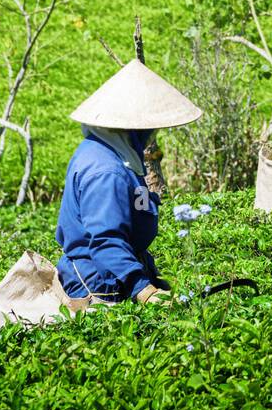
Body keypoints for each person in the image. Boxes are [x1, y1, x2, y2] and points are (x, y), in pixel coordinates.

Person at [55, 58, 202, 308]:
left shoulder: (113, 153)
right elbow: (105, 240)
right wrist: (142, 289)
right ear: (130, 128)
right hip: (102, 281)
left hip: (116, 270)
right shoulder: (106, 172)